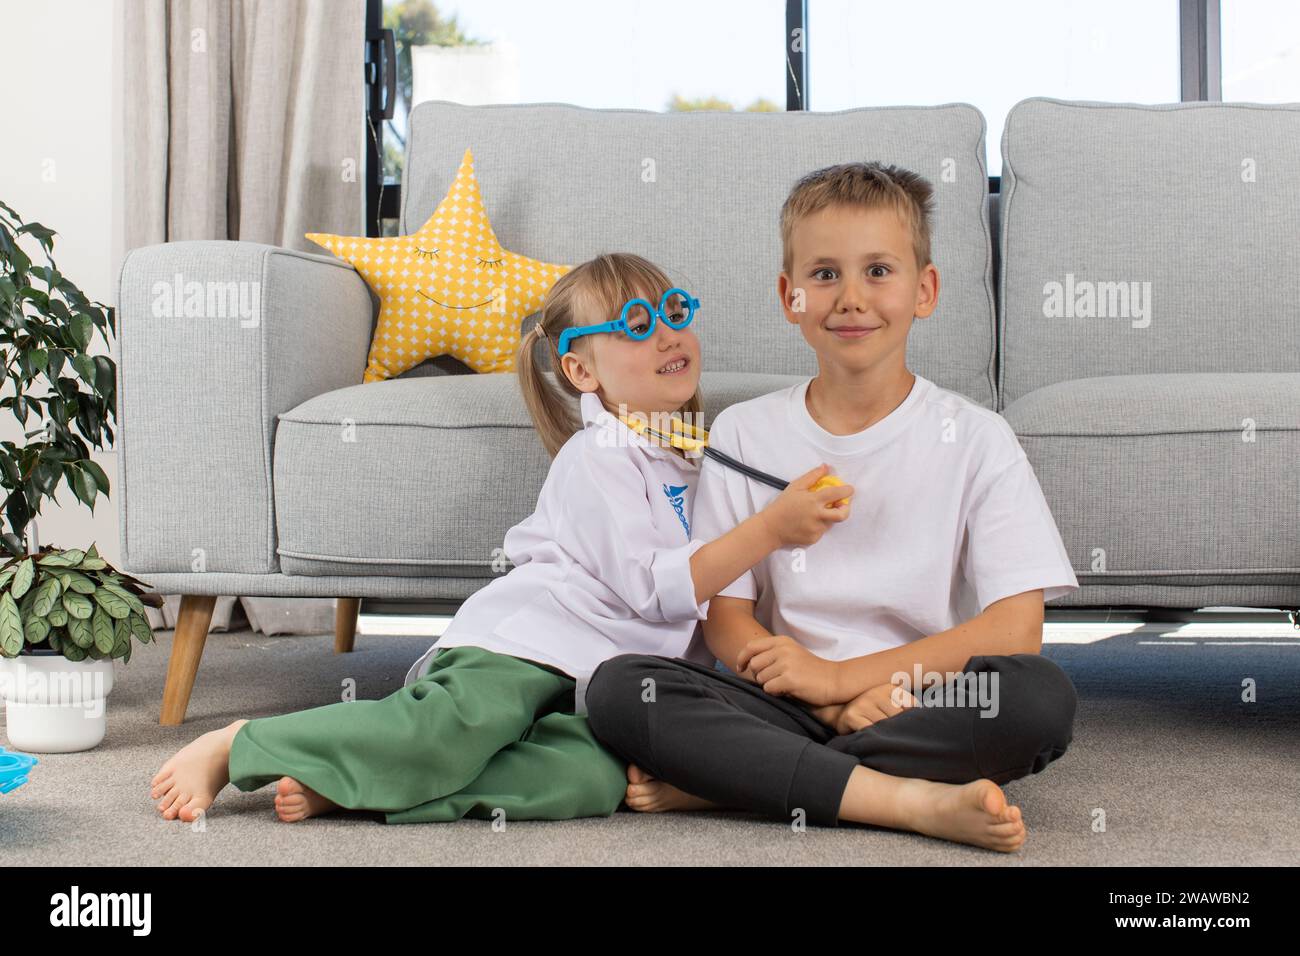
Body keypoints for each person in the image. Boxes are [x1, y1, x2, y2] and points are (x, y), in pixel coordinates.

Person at [149, 252, 852, 825]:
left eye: (674, 313)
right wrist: (770, 529)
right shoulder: (598, 456)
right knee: (445, 734)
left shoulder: (696, 459)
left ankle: (366, 783)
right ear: (581, 371)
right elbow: (652, 585)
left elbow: (716, 600)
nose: (667, 334)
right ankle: (241, 745)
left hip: (601, 683)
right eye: (635, 324)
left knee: (592, 780)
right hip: (527, 649)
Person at [584, 163, 1081, 853]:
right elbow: (727, 615)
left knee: (1038, 699)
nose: (851, 298)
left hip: (915, 699)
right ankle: (905, 800)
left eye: (879, 270)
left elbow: (1017, 631)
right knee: (618, 690)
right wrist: (823, 697)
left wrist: (847, 679)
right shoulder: (743, 433)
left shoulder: (977, 439)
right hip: (784, 705)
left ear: (924, 290)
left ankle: (740, 779)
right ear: (790, 297)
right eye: (823, 275)